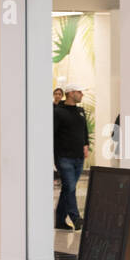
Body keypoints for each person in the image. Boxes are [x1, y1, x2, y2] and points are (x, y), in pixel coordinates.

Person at [53, 86, 90, 231]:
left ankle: (60, 221)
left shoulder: (80, 111)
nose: (82, 94)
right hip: (64, 157)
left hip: (78, 157)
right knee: (70, 187)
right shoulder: (58, 112)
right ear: (70, 93)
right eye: (79, 92)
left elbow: (84, 130)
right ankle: (76, 218)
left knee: (67, 189)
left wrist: (86, 144)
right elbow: (53, 134)